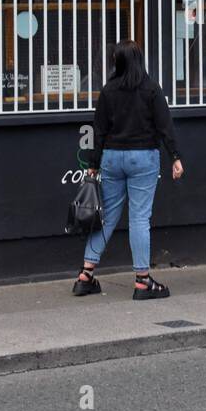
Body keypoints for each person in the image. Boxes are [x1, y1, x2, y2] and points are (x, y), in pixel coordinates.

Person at [74, 39, 183, 300]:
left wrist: (92, 165)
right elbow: (165, 126)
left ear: (117, 62)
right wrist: (175, 157)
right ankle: (143, 282)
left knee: (108, 216)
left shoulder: (108, 90)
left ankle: (85, 274)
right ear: (139, 60)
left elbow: (98, 131)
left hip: (112, 157)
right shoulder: (151, 89)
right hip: (143, 157)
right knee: (139, 219)